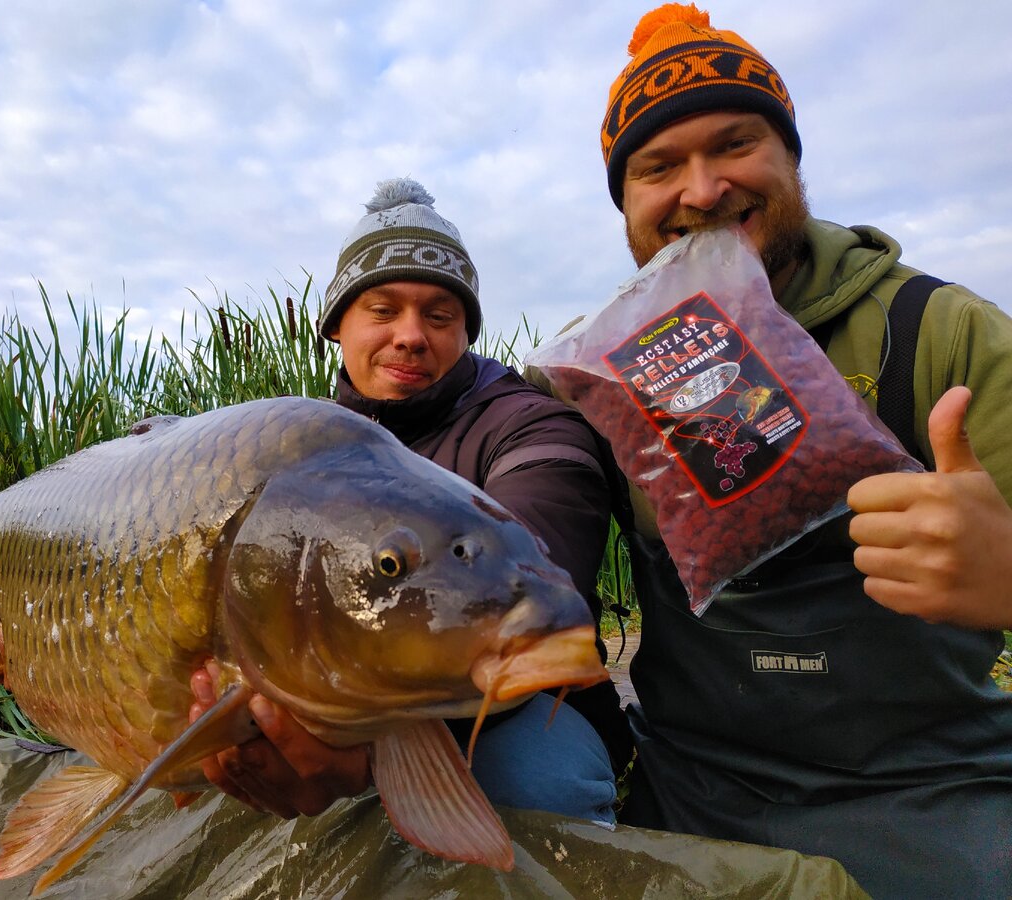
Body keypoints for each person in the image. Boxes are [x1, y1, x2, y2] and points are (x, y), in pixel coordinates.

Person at [592, 4, 1012, 898]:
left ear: (791, 158)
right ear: (626, 202)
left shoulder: (943, 335)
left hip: (937, 793)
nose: (702, 191)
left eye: (735, 144)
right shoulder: (596, 380)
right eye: (658, 167)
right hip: (689, 795)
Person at [188, 177, 631, 825]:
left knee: (537, 777)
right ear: (338, 325)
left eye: (440, 315)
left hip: (514, 709)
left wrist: (357, 748)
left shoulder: (530, 426)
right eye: (383, 309)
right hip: (324, 680)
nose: (411, 335)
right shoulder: (286, 450)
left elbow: (518, 585)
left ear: (465, 332)